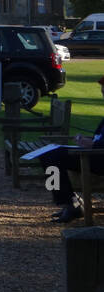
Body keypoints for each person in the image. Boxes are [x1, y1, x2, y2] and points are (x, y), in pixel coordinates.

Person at [37, 76, 104, 223]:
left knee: (51, 157)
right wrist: (88, 141)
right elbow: (99, 139)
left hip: (98, 158)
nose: (102, 92)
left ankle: (69, 203)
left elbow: (100, 144)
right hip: (94, 154)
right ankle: (67, 201)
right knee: (47, 155)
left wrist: (91, 145)